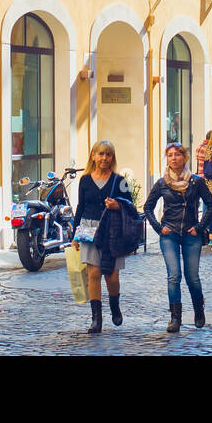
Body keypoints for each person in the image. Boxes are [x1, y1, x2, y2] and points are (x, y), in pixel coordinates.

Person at [143, 143, 212, 332]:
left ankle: (199, 311)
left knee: (192, 277)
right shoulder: (162, 183)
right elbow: (147, 207)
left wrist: (200, 228)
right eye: (170, 155)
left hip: (191, 234)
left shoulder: (196, 181)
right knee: (174, 276)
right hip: (170, 234)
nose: (173, 158)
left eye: (177, 155)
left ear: (184, 158)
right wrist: (159, 228)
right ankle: (175, 318)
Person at [70, 140, 133, 333]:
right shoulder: (85, 180)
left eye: (108, 154)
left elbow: (130, 206)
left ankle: (114, 305)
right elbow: (80, 207)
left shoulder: (119, 180)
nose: (104, 158)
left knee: (111, 277)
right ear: (93, 156)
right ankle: (96, 319)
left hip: (112, 230)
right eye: (100, 154)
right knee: (93, 274)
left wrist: (117, 205)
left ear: (112, 158)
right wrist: (75, 234)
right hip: (88, 229)